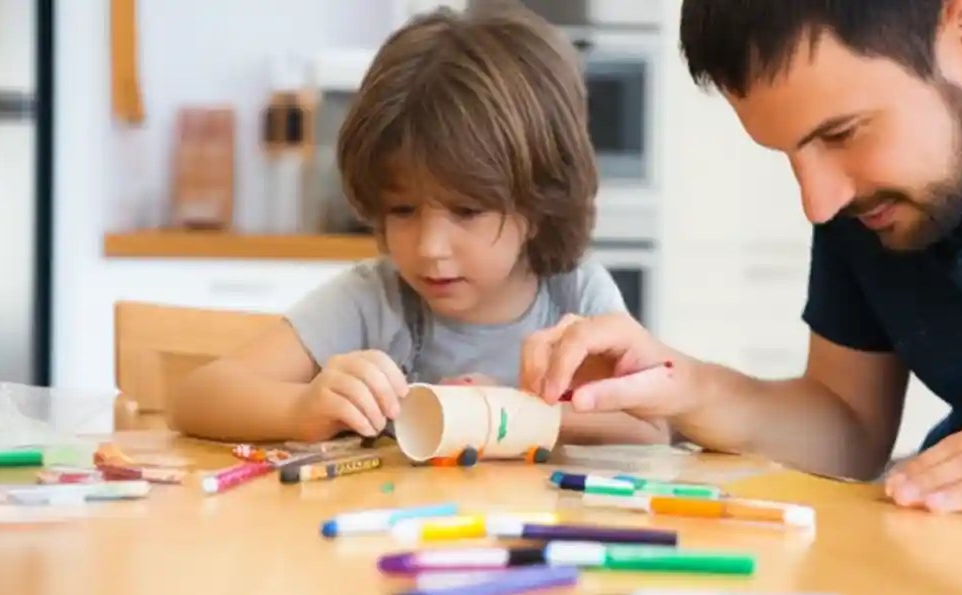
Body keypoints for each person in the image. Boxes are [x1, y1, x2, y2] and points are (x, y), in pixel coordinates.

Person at [522, 0, 962, 513]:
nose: (819, 203)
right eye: (791, 154)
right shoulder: (872, 192)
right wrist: (682, 385)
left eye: (842, 134)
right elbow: (850, 427)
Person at [171, 6, 667, 448]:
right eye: (403, 210)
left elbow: (648, 428)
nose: (429, 248)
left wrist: (507, 414)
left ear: (538, 202)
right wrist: (301, 409)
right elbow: (199, 396)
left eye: (467, 211)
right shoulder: (375, 301)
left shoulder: (575, 299)